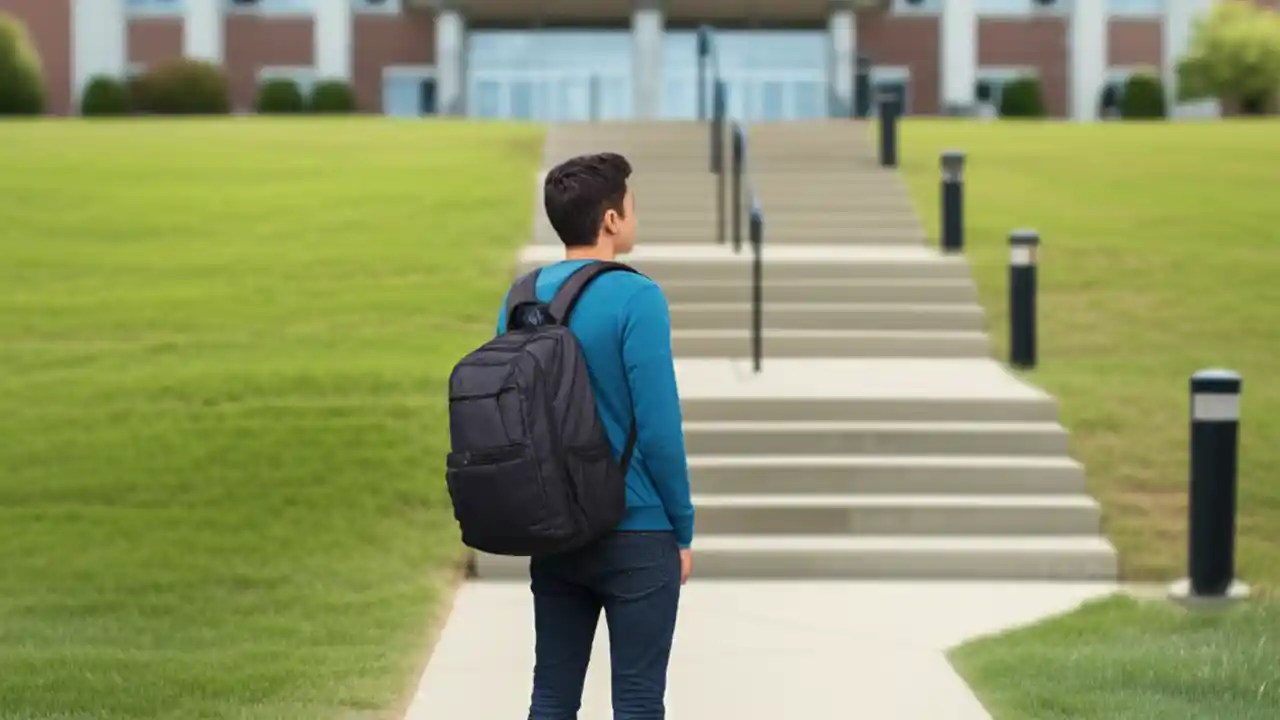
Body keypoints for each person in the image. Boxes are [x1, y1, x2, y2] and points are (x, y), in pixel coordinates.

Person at [495, 153, 694, 720]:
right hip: (638, 528)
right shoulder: (638, 297)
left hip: (554, 529)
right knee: (636, 700)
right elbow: (659, 429)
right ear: (610, 220)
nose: (635, 214)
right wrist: (682, 527)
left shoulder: (522, 297)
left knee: (552, 698)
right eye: (631, 205)